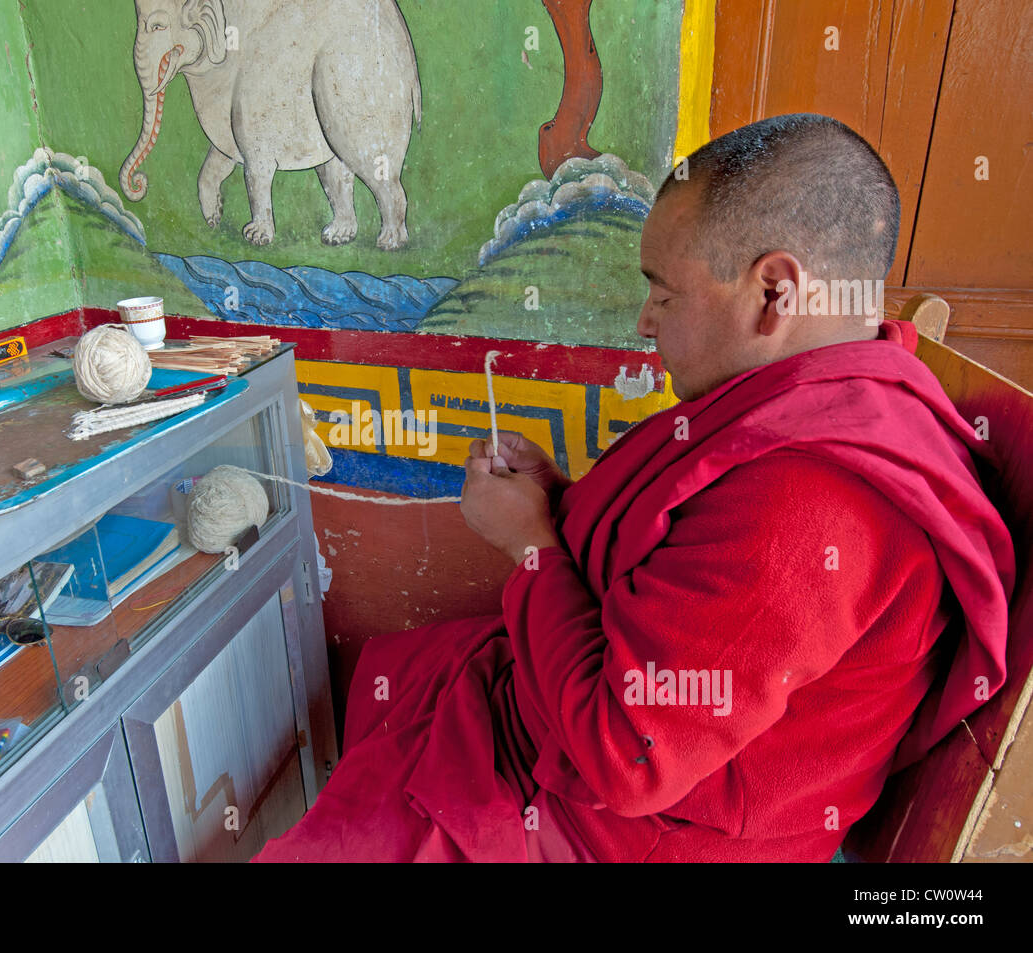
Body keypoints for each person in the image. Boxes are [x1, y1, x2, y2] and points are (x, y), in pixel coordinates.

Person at [253, 114, 1015, 862]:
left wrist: (529, 545)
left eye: (664, 291)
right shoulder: (839, 387)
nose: (646, 321)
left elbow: (627, 757)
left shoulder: (811, 512)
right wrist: (558, 501)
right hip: (575, 725)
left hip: (618, 824)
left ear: (777, 292)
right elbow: (678, 548)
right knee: (383, 681)